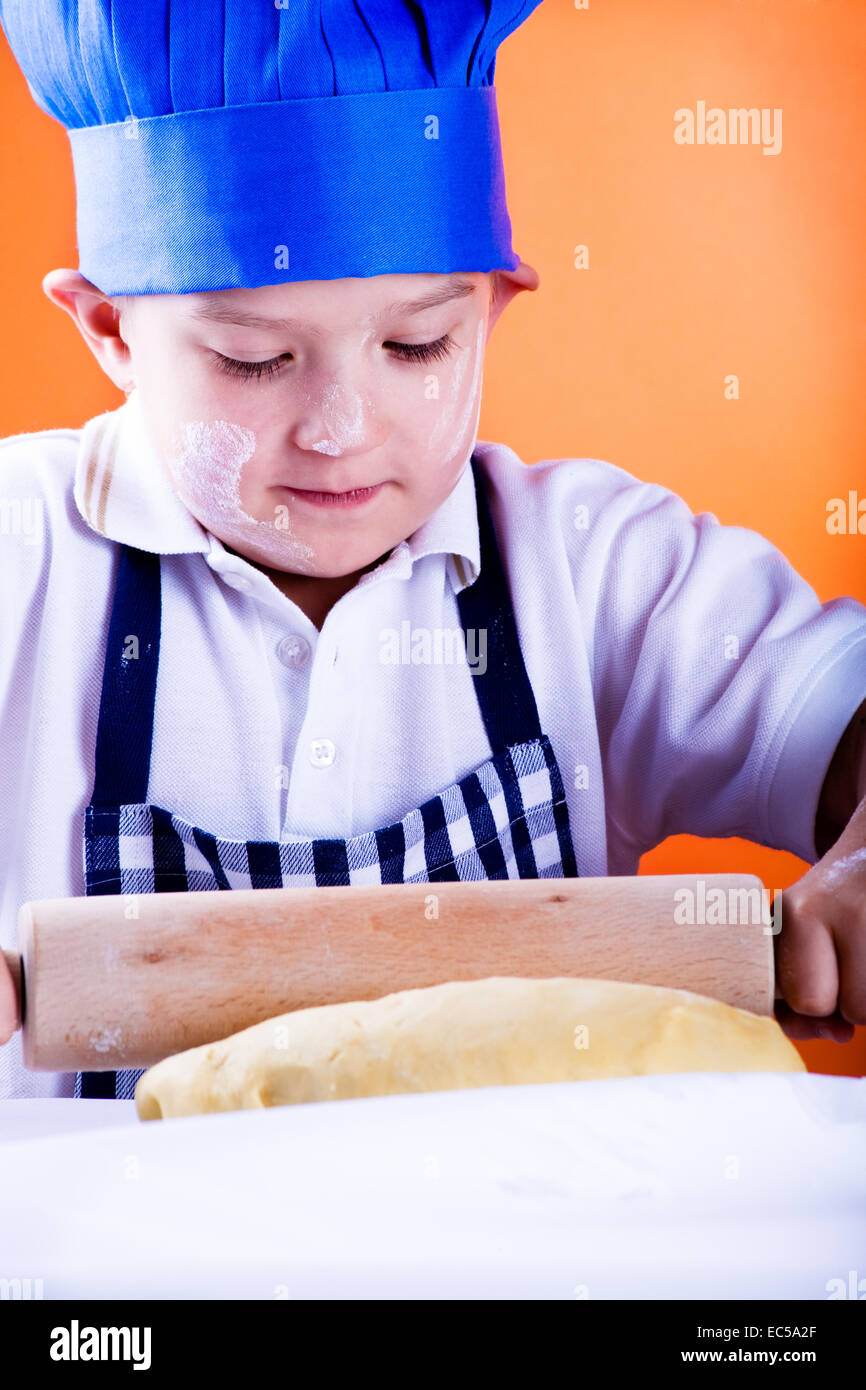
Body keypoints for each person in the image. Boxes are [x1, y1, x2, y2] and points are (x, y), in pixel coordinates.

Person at [0, 1, 864, 1104]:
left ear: (493, 311)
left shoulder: (597, 573)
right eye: (254, 358)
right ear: (110, 332)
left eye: (416, 344)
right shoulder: (21, 554)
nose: (340, 428)